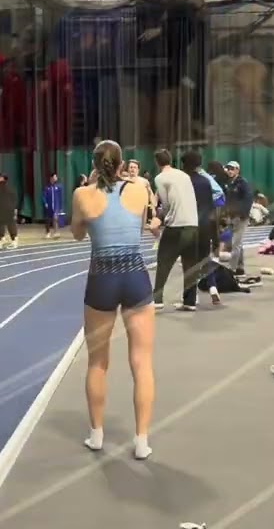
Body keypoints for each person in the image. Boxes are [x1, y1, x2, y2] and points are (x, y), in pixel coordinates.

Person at [72, 140, 158, 460]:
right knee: (142, 362)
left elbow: (77, 234)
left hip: (102, 279)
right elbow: (144, 224)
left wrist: (92, 188)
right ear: (122, 164)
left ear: (95, 165)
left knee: (97, 363)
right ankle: (142, 441)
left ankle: (97, 435)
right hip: (135, 277)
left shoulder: (82, 194)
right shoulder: (140, 188)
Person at [151, 149, 200, 310]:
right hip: (192, 223)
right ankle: (189, 301)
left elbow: (166, 204)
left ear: (157, 162)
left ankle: (157, 299)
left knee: (163, 261)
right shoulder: (184, 175)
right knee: (190, 265)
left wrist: (159, 218)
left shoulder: (160, 178)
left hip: (176, 225)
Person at [183, 149, 223, 306]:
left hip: (190, 225)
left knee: (190, 262)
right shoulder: (206, 181)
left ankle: (192, 298)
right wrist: (215, 233)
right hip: (205, 225)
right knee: (205, 258)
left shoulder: (184, 181)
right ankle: (213, 287)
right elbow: (212, 206)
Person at [221, 161, 254, 273]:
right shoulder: (229, 183)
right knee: (235, 243)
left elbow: (248, 200)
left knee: (236, 243)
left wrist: (242, 215)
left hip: (240, 217)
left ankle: (232, 268)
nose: (230, 171)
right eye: (229, 169)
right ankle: (240, 267)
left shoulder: (242, 183)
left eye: (232, 169)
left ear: (237, 170)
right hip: (231, 216)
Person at [0, 172, 19, 249]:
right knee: (2, 225)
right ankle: (2, 241)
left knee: (9, 225)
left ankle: (11, 242)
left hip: (7, 209)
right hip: (3, 209)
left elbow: (13, 199)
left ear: (2, 178)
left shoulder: (5, 188)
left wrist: (14, 209)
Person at [41, 173, 64, 239]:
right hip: (49, 206)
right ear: (51, 178)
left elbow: (61, 197)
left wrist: (61, 207)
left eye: (56, 177)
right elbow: (43, 196)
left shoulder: (59, 187)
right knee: (48, 220)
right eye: (54, 177)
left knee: (55, 219)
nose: (55, 179)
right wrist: (45, 203)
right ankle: (48, 232)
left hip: (56, 206)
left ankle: (56, 232)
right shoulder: (47, 187)